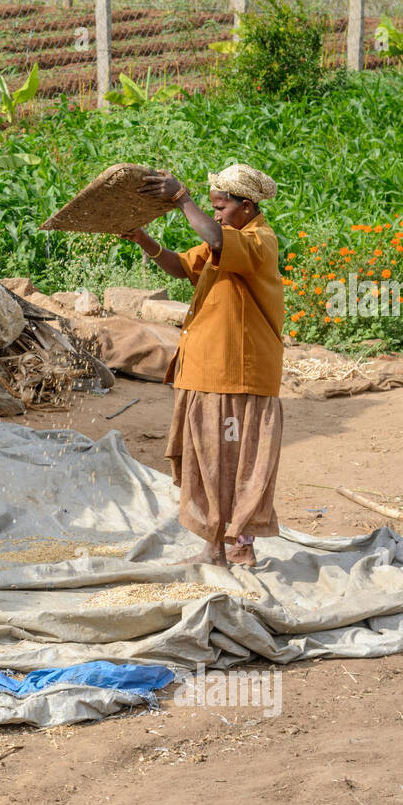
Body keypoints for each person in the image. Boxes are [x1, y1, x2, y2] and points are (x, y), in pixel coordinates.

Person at [120, 163, 285, 567]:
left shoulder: (258, 241)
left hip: (237, 373)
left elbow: (214, 238)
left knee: (235, 462)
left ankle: (237, 546)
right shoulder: (225, 243)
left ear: (246, 207)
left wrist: (182, 199)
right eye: (212, 208)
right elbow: (182, 266)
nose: (215, 215)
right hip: (209, 370)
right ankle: (217, 547)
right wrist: (141, 237)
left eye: (221, 207)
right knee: (210, 460)